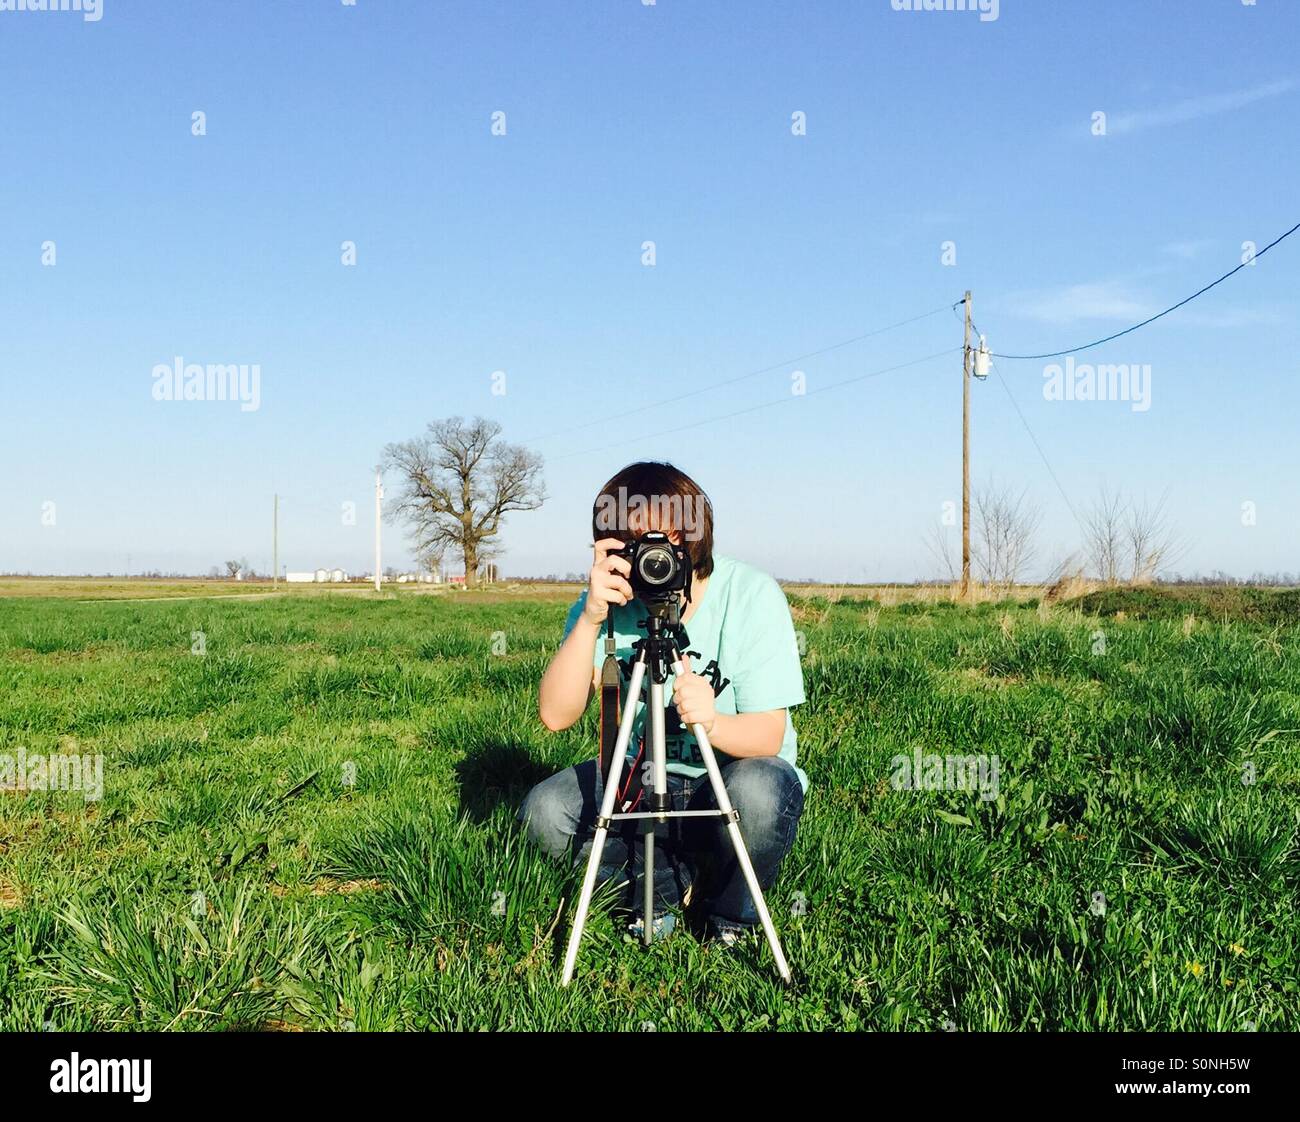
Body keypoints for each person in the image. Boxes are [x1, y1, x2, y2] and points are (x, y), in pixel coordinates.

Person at [517, 461, 807, 946]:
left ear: (695, 536)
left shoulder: (750, 594)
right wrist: (590, 619)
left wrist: (711, 724)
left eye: (668, 538)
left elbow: (768, 738)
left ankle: (728, 916)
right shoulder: (605, 606)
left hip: (731, 775)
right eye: (638, 543)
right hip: (639, 777)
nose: (656, 558)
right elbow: (555, 715)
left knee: (761, 792)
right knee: (543, 814)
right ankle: (666, 887)